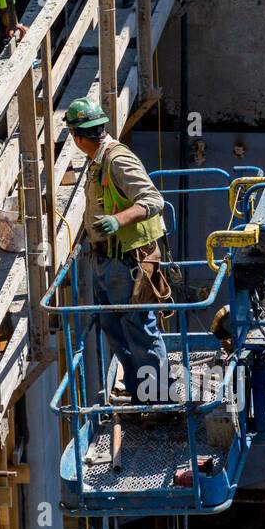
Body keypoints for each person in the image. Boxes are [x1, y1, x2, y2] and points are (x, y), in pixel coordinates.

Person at [64, 96, 170, 405]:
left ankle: (159, 397)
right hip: (106, 261)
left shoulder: (118, 160)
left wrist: (118, 220)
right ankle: (141, 392)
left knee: (139, 329)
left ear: (78, 136)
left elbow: (154, 200)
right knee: (113, 327)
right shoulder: (96, 160)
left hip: (129, 261)